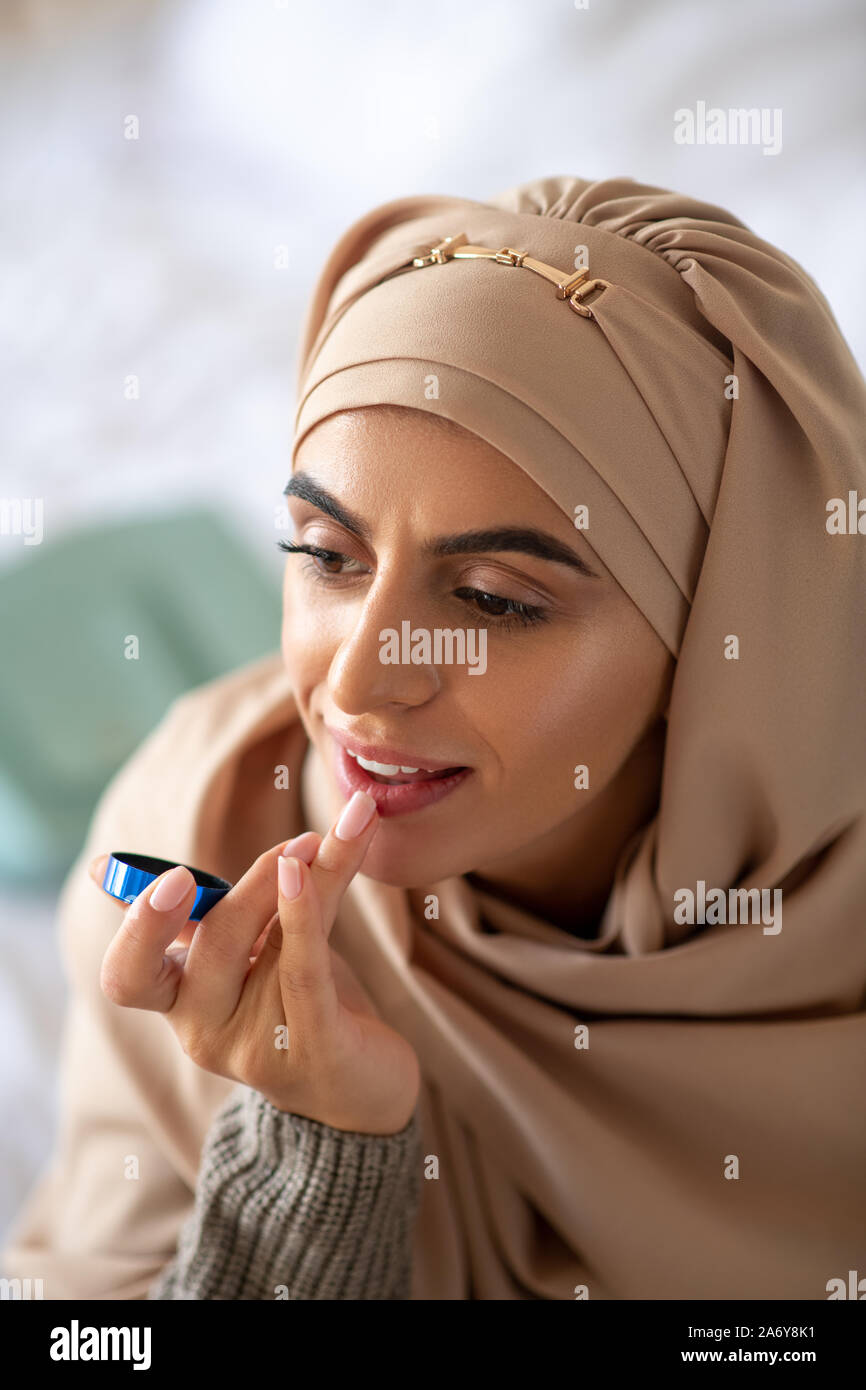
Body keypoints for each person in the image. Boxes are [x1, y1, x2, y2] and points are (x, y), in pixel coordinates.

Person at [3, 174, 865, 1301]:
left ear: (713, 636)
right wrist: (314, 1155)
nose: (354, 684)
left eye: (494, 600)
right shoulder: (201, 822)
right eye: (324, 553)